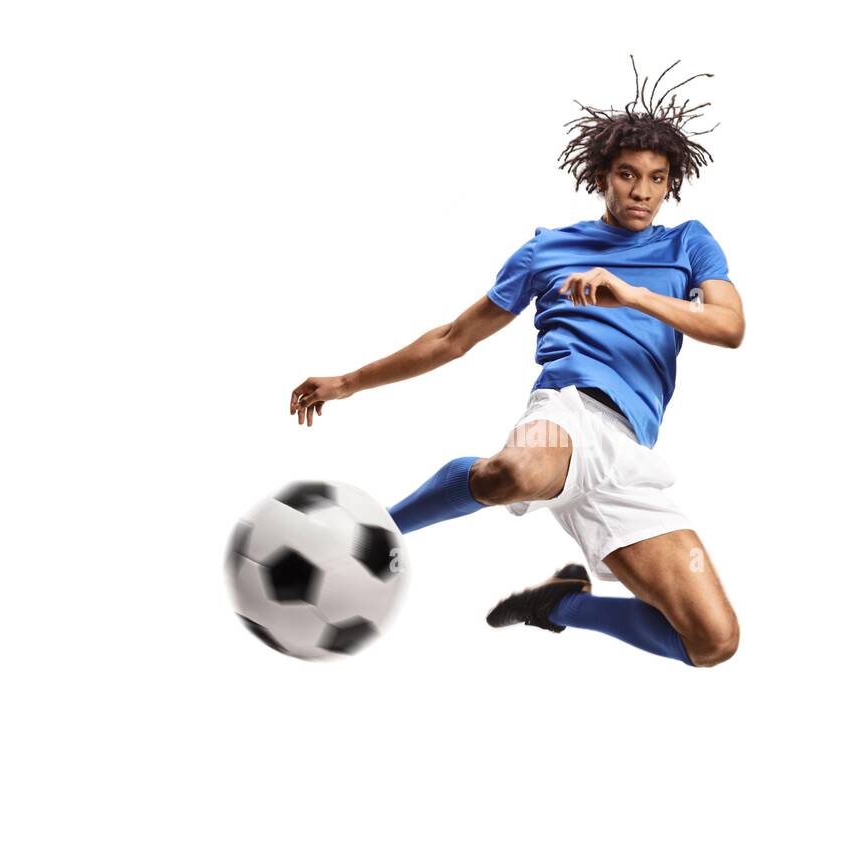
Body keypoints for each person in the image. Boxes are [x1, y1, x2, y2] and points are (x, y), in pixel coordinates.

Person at [290, 57, 745, 666]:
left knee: (712, 643)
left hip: (629, 451)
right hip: (569, 407)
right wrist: (348, 382)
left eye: (656, 179)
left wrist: (632, 294)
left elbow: (730, 327)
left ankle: (558, 605)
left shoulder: (687, 242)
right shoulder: (548, 249)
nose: (641, 192)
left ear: (671, 183)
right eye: (627, 175)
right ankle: (371, 535)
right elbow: (455, 336)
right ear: (601, 176)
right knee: (516, 473)